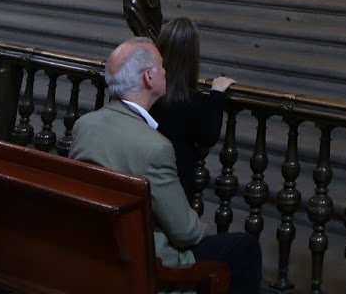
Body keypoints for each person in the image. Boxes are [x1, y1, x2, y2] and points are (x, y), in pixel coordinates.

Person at [70, 39, 261, 292]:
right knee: (245, 248)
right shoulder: (155, 147)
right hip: (146, 266)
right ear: (149, 77)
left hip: (94, 252)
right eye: (161, 66)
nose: (165, 72)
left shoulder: (85, 125)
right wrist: (202, 229)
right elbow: (185, 232)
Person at [153, 17, 235, 203]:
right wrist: (217, 93)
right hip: (177, 180)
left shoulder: (150, 92)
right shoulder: (193, 101)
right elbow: (209, 136)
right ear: (191, 57)